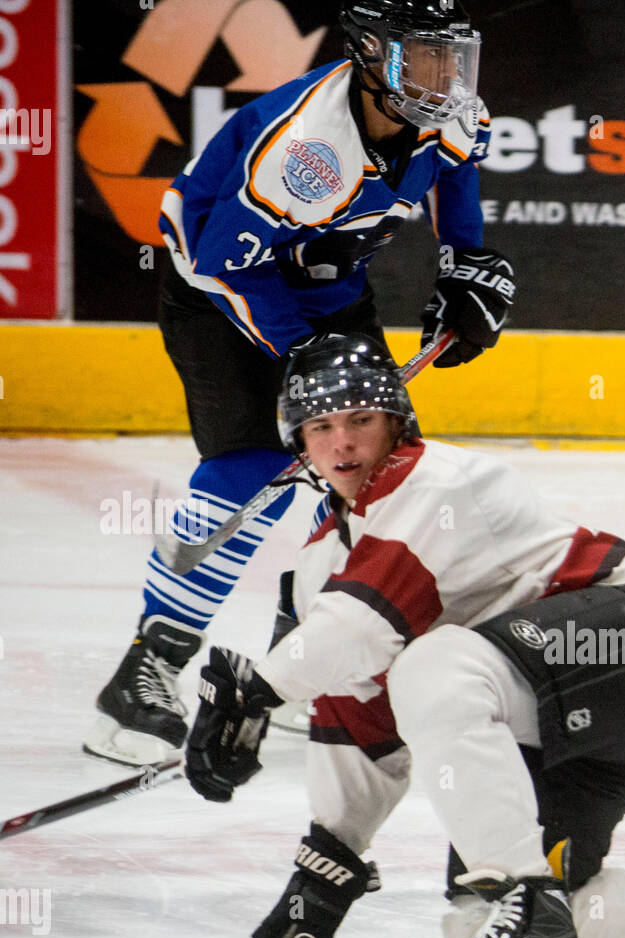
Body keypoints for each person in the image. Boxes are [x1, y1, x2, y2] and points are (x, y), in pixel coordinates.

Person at [181, 335, 625, 938]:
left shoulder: (436, 481)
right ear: (301, 443)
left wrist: (255, 692)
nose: (343, 442)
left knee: (431, 664)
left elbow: (358, 631)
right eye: (321, 427)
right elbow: (358, 714)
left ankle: (524, 901)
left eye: (360, 420)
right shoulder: (319, 567)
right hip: (552, 733)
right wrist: (329, 857)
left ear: (396, 422)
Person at [85, 0, 515, 766]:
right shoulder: (308, 147)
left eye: (455, 59)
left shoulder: (445, 110)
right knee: (252, 473)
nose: (447, 78)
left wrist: (464, 262)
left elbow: (455, 164)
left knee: (371, 470)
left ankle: (306, 654)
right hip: (221, 296)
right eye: (425, 58)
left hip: (327, 289)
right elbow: (225, 262)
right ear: (373, 55)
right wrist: (306, 352)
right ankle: (146, 668)